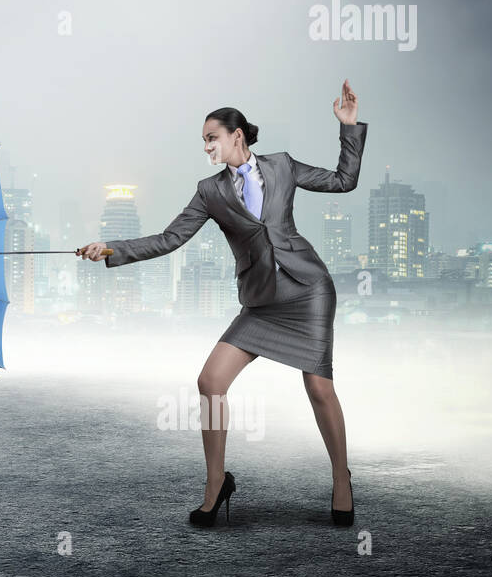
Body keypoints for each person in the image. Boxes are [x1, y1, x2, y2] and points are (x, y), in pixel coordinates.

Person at [80, 80, 364, 528]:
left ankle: (341, 479)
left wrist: (347, 127)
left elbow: (344, 181)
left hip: (308, 290)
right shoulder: (209, 191)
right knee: (210, 381)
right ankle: (216, 484)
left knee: (318, 389)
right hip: (260, 302)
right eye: (203, 141)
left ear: (237, 135)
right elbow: (169, 239)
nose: (207, 147)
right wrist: (111, 248)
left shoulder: (283, 166)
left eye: (212, 138)